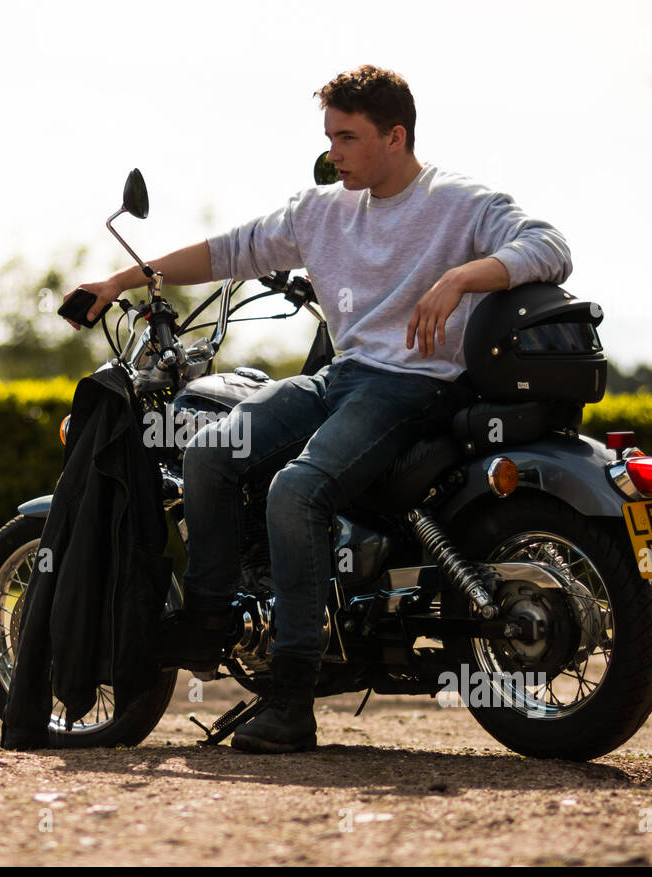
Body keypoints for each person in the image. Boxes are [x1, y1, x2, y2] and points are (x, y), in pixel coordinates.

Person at [62, 64, 573, 754]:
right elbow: (229, 250)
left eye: (348, 137)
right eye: (329, 136)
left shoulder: (458, 202)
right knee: (212, 449)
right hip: (342, 378)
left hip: (414, 386)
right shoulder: (323, 210)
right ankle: (213, 618)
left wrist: (460, 277)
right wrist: (124, 277)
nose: (334, 152)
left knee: (297, 489)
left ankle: (293, 695)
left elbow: (549, 247)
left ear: (396, 137)